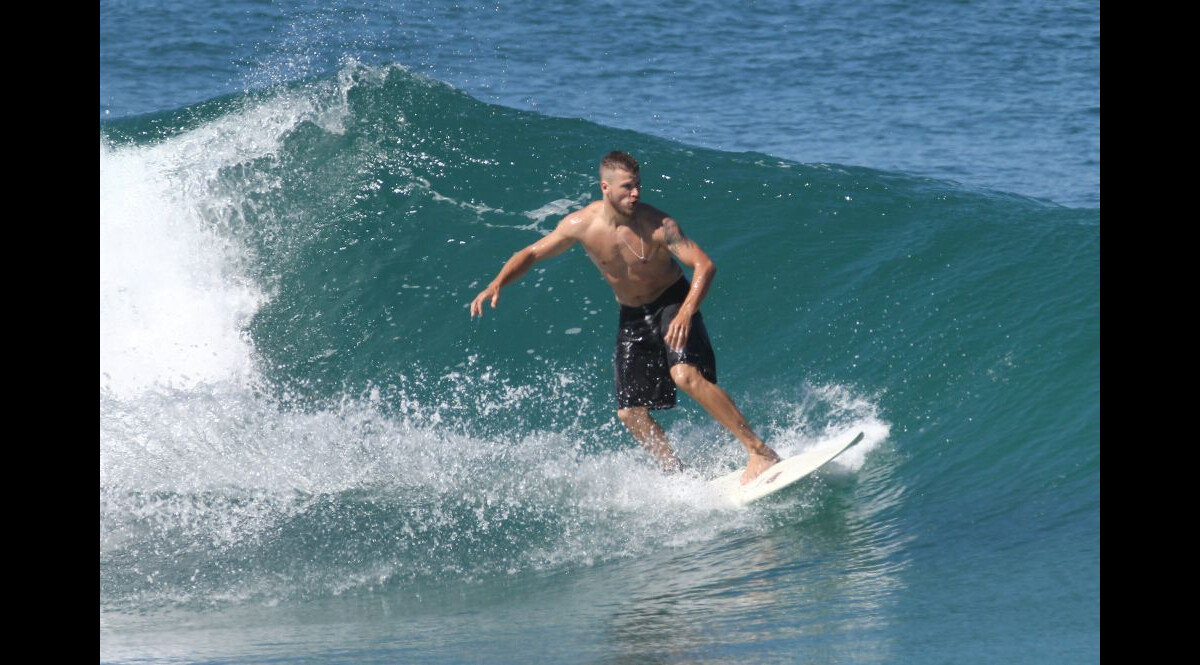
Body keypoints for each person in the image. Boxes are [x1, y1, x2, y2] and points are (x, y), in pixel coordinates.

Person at [470, 151, 781, 484]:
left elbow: (704, 265)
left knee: (686, 376)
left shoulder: (660, 226)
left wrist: (687, 311)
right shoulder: (581, 226)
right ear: (605, 187)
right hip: (632, 316)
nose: (636, 193)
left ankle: (759, 451)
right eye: (627, 187)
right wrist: (497, 282)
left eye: (638, 186)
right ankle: (678, 476)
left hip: (672, 302)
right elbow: (531, 253)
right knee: (630, 413)